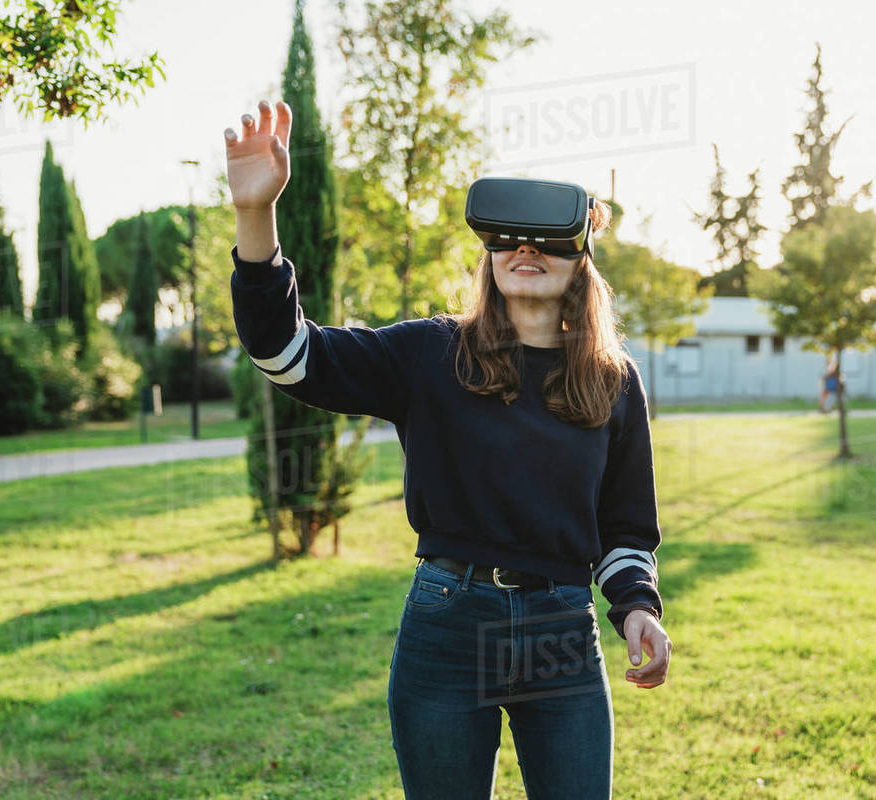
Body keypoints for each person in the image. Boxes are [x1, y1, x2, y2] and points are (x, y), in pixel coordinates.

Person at [223, 99, 672, 799]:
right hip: (448, 623)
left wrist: (637, 606)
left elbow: (626, 529)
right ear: (488, 252)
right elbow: (287, 354)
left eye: (546, 239)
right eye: (505, 239)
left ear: (581, 256)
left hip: (562, 630)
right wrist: (257, 217)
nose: (524, 251)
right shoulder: (431, 353)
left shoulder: (612, 380)